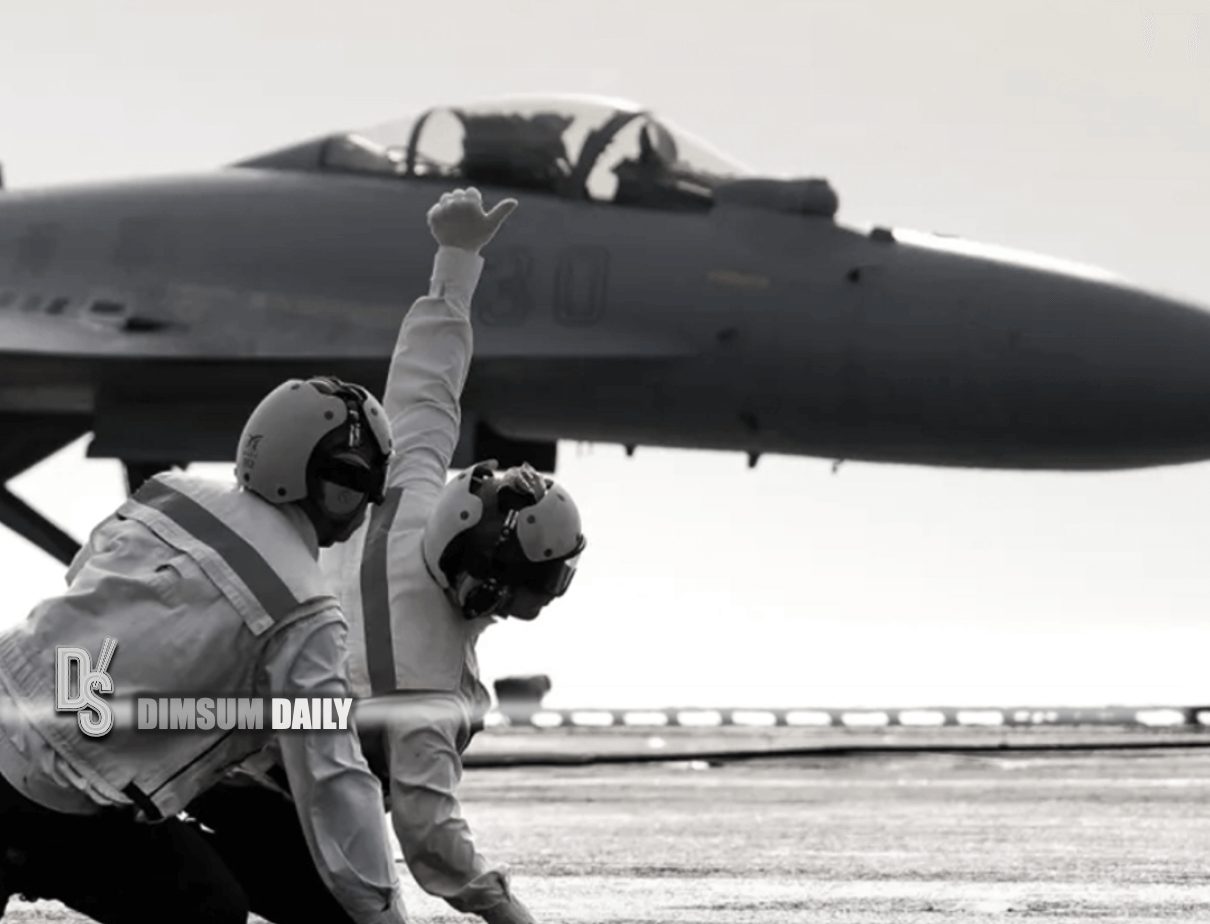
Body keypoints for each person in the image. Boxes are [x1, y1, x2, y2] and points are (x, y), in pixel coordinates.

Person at [190, 187, 587, 924]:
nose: (511, 604)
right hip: (262, 791)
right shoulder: (424, 695)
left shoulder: (404, 495)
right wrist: (505, 910)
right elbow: (428, 834)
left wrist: (457, 257)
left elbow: (427, 384)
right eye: (518, 590)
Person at [0, 375, 407, 924]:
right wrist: (379, 909)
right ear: (339, 485)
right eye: (365, 489)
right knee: (206, 908)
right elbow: (332, 775)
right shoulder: (308, 611)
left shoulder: (168, 494)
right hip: (69, 808)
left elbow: (85, 579)